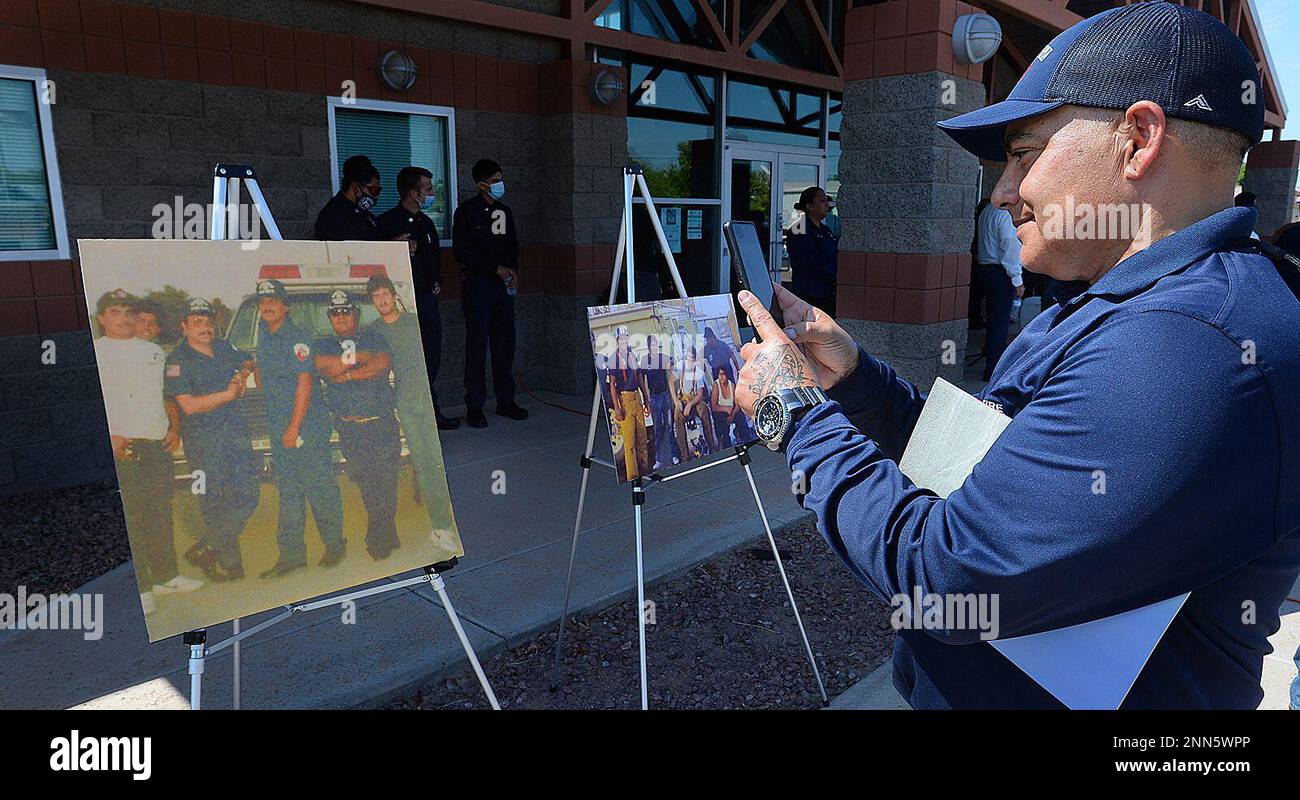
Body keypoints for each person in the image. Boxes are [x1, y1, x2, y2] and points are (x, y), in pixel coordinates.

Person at [733, 2, 1300, 709]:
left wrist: (794, 412)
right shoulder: (1119, 303)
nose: (1001, 193)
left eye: (1023, 155)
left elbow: (949, 578)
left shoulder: (1193, 342)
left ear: (1139, 139)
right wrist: (855, 381)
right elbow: (984, 470)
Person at [95, 290, 201, 615]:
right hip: (123, 448)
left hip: (156, 446)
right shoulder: (96, 352)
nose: (124, 318)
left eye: (128, 311)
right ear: (102, 319)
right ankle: (141, 588)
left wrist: (173, 428)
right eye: (115, 312)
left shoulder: (154, 352)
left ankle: (165, 576)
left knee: (159, 514)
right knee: (134, 520)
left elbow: (164, 396)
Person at [251, 279, 346, 579]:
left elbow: (305, 382)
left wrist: (294, 427)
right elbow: (265, 374)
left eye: (273, 302)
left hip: (305, 424)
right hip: (281, 425)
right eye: (263, 302)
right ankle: (292, 556)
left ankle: (335, 545)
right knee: (289, 490)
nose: (267, 306)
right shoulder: (265, 334)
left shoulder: (297, 336)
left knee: (318, 485)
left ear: (285, 306)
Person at [165, 297, 260, 583]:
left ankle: (208, 548)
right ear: (184, 327)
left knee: (248, 494)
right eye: (197, 322)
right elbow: (189, 406)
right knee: (214, 501)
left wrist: (241, 374)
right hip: (204, 443)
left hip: (235, 434)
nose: (205, 327)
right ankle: (231, 565)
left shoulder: (223, 346)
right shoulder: (176, 361)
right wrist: (229, 395)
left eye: (208, 322)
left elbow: (246, 360)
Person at [313, 291, 402, 561]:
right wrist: (360, 359)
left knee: (386, 482)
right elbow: (323, 367)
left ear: (356, 314)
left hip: (381, 424)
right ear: (330, 317)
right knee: (368, 483)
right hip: (351, 429)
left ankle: (378, 540)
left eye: (345, 311)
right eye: (335, 313)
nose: (340, 317)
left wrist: (348, 371)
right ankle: (386, 533)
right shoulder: (323, 343)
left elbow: (382, 364)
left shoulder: (373, 336)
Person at [376, 166, 459, 431]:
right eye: (428, 189)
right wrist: (396, 249)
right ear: (414, 192)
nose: (433, 194)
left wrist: (437, 282)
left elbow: (433, 259)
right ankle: (405, 415)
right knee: (404, 359)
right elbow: (377, 266)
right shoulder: (387, 223)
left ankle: (431, 412)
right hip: (401, 304)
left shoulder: (426, 223)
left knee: (431, 355)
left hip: (426, 299)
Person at [366, 273, 452, 522]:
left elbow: (433, 353)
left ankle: (443, 510)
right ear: (373, 302)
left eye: (385, 294)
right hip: (404, 402)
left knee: (435, 457)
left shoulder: (414, 322)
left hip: (425, 397)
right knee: (422, 459)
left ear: (394, 296)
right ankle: (438, 520)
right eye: (376, 296)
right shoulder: (374, 332)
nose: (381, 300)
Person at [452, 158, 528, 428]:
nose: (499, 184)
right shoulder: (466, 212)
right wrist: (492, 268)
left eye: (500, 179)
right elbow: (462, 252)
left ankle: (506, 400)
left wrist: (512, 270)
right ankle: (475, 405)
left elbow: (512, 245)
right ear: (482, 183)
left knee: (504, 343)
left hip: (502, 286)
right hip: (478, 285)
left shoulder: (505, 212)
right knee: (477, 345)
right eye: (495, 180)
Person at [972, 197, 1024, 380]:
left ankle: (990, 357)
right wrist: (1017, 279)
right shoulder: (1004, 216)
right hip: (1000, 272)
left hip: (984, 268)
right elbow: (1009, 248)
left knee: (994, 319)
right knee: (999, 323)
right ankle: (993, 368)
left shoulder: (987, 211)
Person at [784, 186, 840, 316]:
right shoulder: (800, 228)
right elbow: (811, 262)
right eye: (821, 201)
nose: (826, 204)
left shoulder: (825, 230)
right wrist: (833, 276)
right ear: (809, 206)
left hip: (827, 292)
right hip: (810, 293)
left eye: (826, 200)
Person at [606, 327, 650, 481]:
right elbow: (612, 384)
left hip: (636, 398)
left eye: (625, 338)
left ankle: (645, 470)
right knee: (629, 442)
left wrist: (646, 399)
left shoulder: (632, 356)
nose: (624, 341)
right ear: (617, 341)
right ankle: (633, 476)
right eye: (621, 338)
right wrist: (617, 407)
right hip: (624, 400)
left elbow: (638, 378)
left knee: (642, 438)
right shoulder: (613, 359)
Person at [640, 335, 680, 471]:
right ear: (649, 347)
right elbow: (642, 378)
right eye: (652, 345)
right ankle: (658, 459)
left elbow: (673, 361)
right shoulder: (645, 360)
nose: (655, 347)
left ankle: (674, 455)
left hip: (665, 396)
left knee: (669, 426)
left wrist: (670, 369)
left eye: (656, 345)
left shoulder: (663, 357)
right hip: (654, 398)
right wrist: (646, 399)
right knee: (657, 430)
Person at [676, 345, 712, 458]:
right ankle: (684, 454)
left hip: (695, 400)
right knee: (677, 415)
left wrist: (690, 405)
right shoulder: (681, 370)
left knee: (704, 410)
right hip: (684, 399)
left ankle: (711, 445)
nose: (690, 359)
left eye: (692, 357)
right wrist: (677, 400)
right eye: (688, 357)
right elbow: (678, 389)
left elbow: (700, 394)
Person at [709, 365, 751, 450]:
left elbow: (737, 405)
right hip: (721, 412)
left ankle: (746, 439)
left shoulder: (732, 385)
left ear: (727, 375)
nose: (722, 377)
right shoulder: (716, 385)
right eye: (719, 374)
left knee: (740, 416)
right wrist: (726, 409)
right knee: (720, 421)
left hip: (732, 412)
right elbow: (713, 406)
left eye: (723, 374)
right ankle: (725, 444)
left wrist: (732, 415)